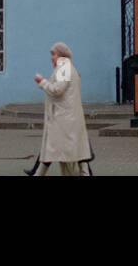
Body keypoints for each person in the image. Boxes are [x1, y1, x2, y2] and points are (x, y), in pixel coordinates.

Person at [29, 41, 92, 176]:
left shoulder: (64, 67)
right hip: (66, 117)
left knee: (61, 152)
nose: (51, 57)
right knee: (66, 152)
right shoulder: (67, 67)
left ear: (61, 55)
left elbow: (58, 90)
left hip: (63, 119)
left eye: (53, 54)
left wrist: (42, 82)